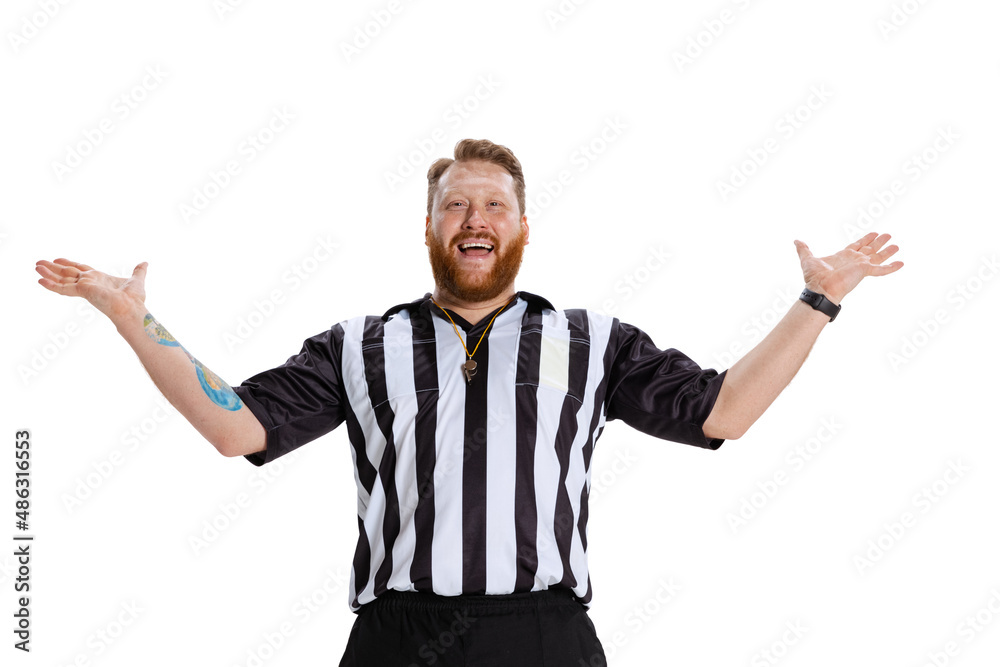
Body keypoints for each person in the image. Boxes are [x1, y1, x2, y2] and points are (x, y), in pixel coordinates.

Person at [36, 138, 903, 666]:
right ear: (430, 228)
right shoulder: (358, 345)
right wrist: (131, 314)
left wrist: (817, 302)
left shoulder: (593, 339)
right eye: (455, 203)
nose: (474, 215)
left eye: (495, 203)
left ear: (522, 228)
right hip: (398, 637)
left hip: (545, 636)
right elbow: (237, 426)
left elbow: (724, 413)